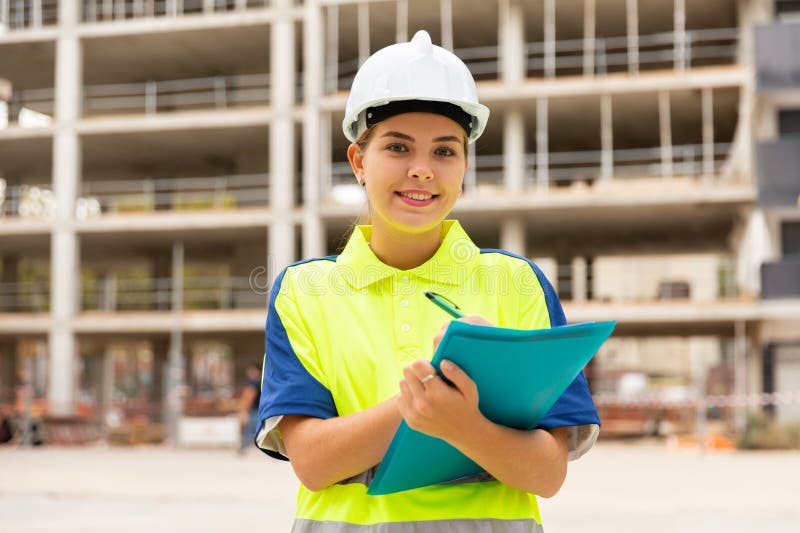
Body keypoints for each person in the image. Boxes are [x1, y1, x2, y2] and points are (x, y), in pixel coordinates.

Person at [255, 30, 600, 532]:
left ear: (463, 166)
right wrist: (426, 404)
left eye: (445, 152)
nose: (422, 171)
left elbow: (547, 474)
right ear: (358, 162)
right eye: (397, 147)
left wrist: (465, 423)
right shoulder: (305, 292)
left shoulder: (517, 283)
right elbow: (312, 462)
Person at [238, 363, 261, 454]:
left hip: (255, 410)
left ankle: (242, 448)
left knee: (250, 430)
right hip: (259, 409)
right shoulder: (260, 382)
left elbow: (250, 396)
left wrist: (244, 409)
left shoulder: (253, 383)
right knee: (254, 429)